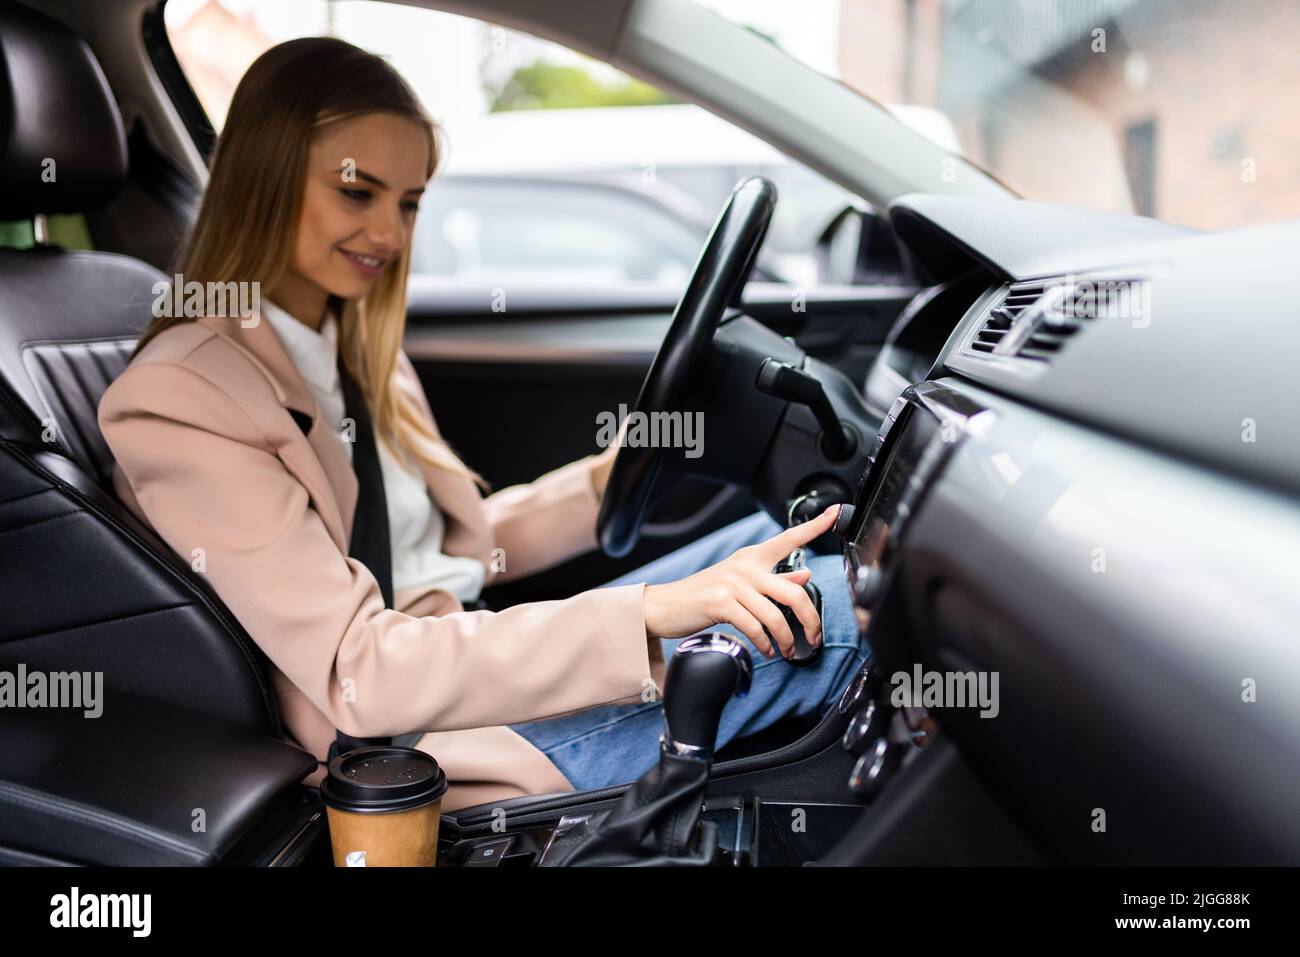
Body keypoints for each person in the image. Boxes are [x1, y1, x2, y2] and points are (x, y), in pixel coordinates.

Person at [97, 37, 867, 812]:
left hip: (467, 658)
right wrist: (647, 614)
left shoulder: (349, 344)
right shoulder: (184, 396)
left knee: (779, 561)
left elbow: (450, 550)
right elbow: (361, 666)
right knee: (846, 607)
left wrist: (614, 475)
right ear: (264, 178)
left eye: (409, 201)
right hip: (409, 738)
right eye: (358, 192)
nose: (392, 237)